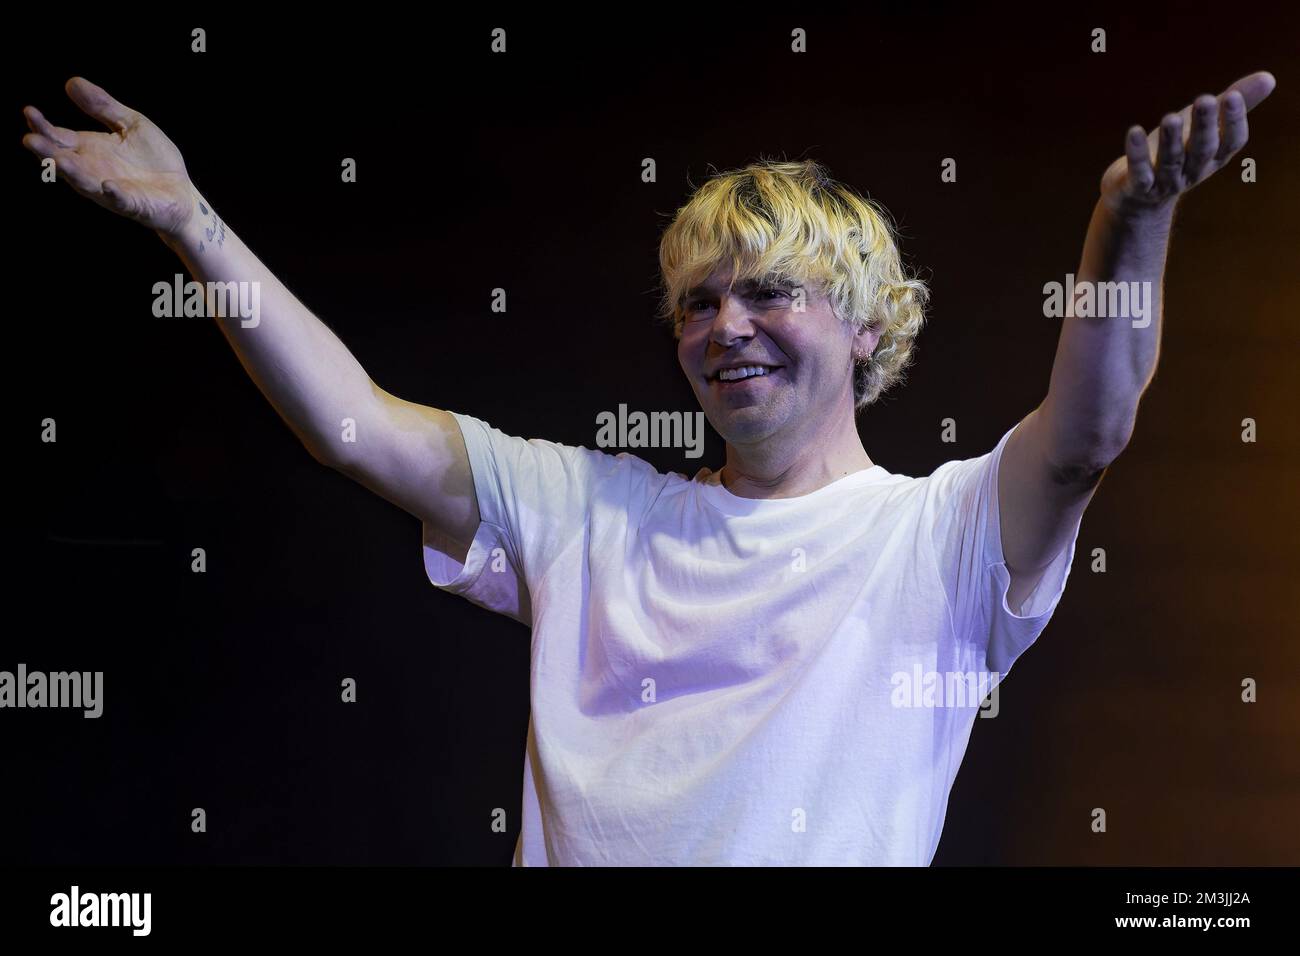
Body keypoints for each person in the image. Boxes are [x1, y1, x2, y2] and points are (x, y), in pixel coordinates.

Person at [21, 72, 1276, 865]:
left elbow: (1088, 430)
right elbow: (350, 422)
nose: (726, 327)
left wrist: (1129, 223)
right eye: (696, 303)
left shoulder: (937, 535)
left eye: (768, 291)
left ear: (868, 325)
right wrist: (192, 222)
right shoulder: (592, 509)